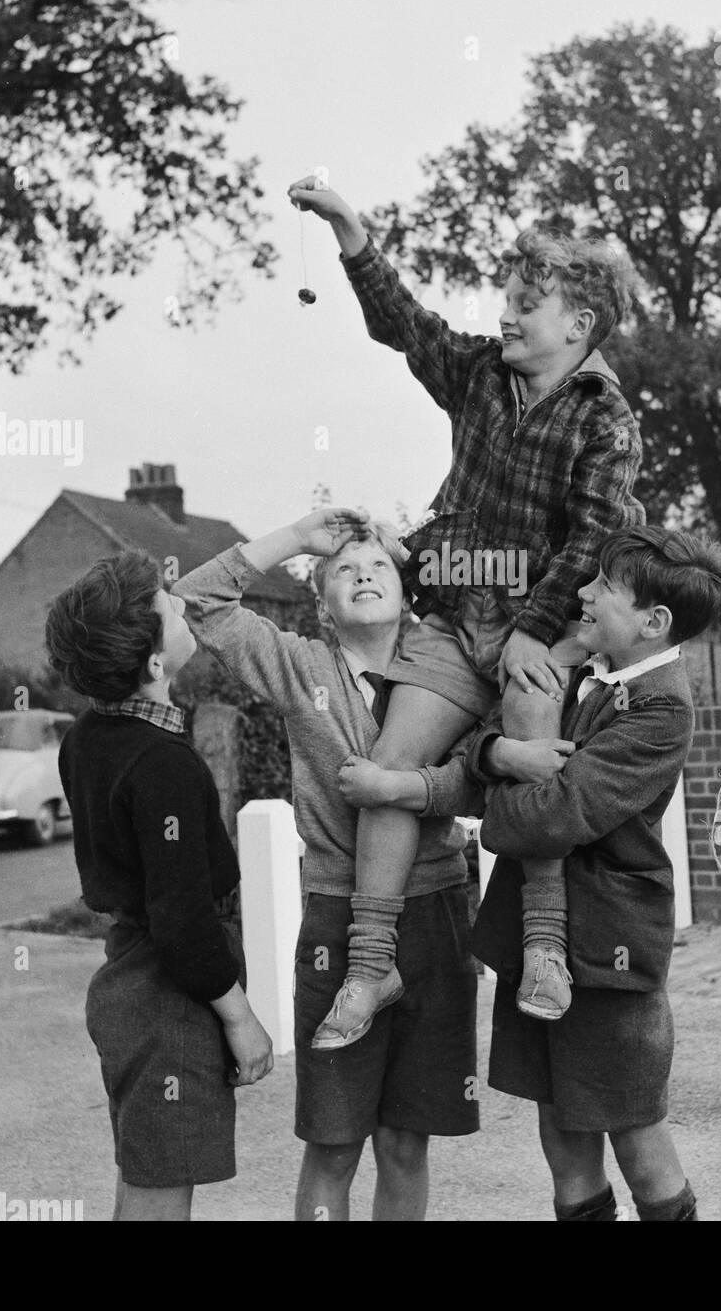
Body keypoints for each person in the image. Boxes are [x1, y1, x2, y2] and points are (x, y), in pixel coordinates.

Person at [289, 174, 645, 1045]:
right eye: (507, 300)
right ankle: (371, 966)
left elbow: (594, 534)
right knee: (385, 770)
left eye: (527, 304)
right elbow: (402, 324)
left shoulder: (608, 422)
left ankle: (544, 945)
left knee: (534, 766)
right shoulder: (481, 375)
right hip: (454, 620)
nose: (507, 317)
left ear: (578, 326)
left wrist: (535, 633)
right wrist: (349, 228)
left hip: (538, 624)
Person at [175, 507, 507, 1221]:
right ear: (320, 602)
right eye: (343, 570)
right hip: (335, 919)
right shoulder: (302, 669)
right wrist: (296, 536)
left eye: (378, 565)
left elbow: (480, 777)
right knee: (333, 1142)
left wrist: (407, 788)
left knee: (405, 1141)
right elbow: (200, 599)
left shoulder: (455, 666)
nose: (361, 574)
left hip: (437, 914)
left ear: (408, 584)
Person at [461, 525, 721, 1221]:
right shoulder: (585, 671)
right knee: (560, 1124)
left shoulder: (660, 707)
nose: (581, 593)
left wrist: (500, 796)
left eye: (604, 587)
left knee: (634, 1129)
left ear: (653, 622)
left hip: (606, 950)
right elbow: (479, 747)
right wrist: (500, 755)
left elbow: (555, 816)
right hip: (535, 940)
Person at [44, 552, 273, 1222]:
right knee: (159, 1192)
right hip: (166, 997)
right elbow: (183, 923)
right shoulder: (162, 764)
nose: (183, 606)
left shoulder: (87, 738)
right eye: (169, 606)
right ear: (152, 663)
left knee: (143, 1172)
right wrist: (242, 1019)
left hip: (127, 978)